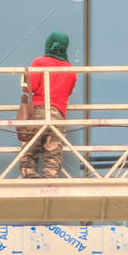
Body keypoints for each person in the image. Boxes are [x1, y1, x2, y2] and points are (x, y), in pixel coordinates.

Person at [20, 32, 76, 180]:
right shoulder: (71, 70)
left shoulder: (39, 62)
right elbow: (68, 92)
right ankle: (49, 180)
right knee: (53, 152)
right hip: (58, 114)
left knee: (30, 148)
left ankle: (29, 175)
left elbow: (30, 88)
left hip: (38, 110)